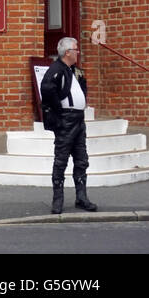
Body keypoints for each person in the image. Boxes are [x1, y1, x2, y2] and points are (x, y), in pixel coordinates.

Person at [40, 36, 98, 214]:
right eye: (75, 49)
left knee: (81, 159)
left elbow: (82, 87)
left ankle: (81, 197)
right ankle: (57, 200)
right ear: (67, 52)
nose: (78, 52)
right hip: (66, 119)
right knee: (61, 160)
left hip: (78, 119)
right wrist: (59, 112)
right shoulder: (55, 70)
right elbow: (47, 91)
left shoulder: (74, 70)